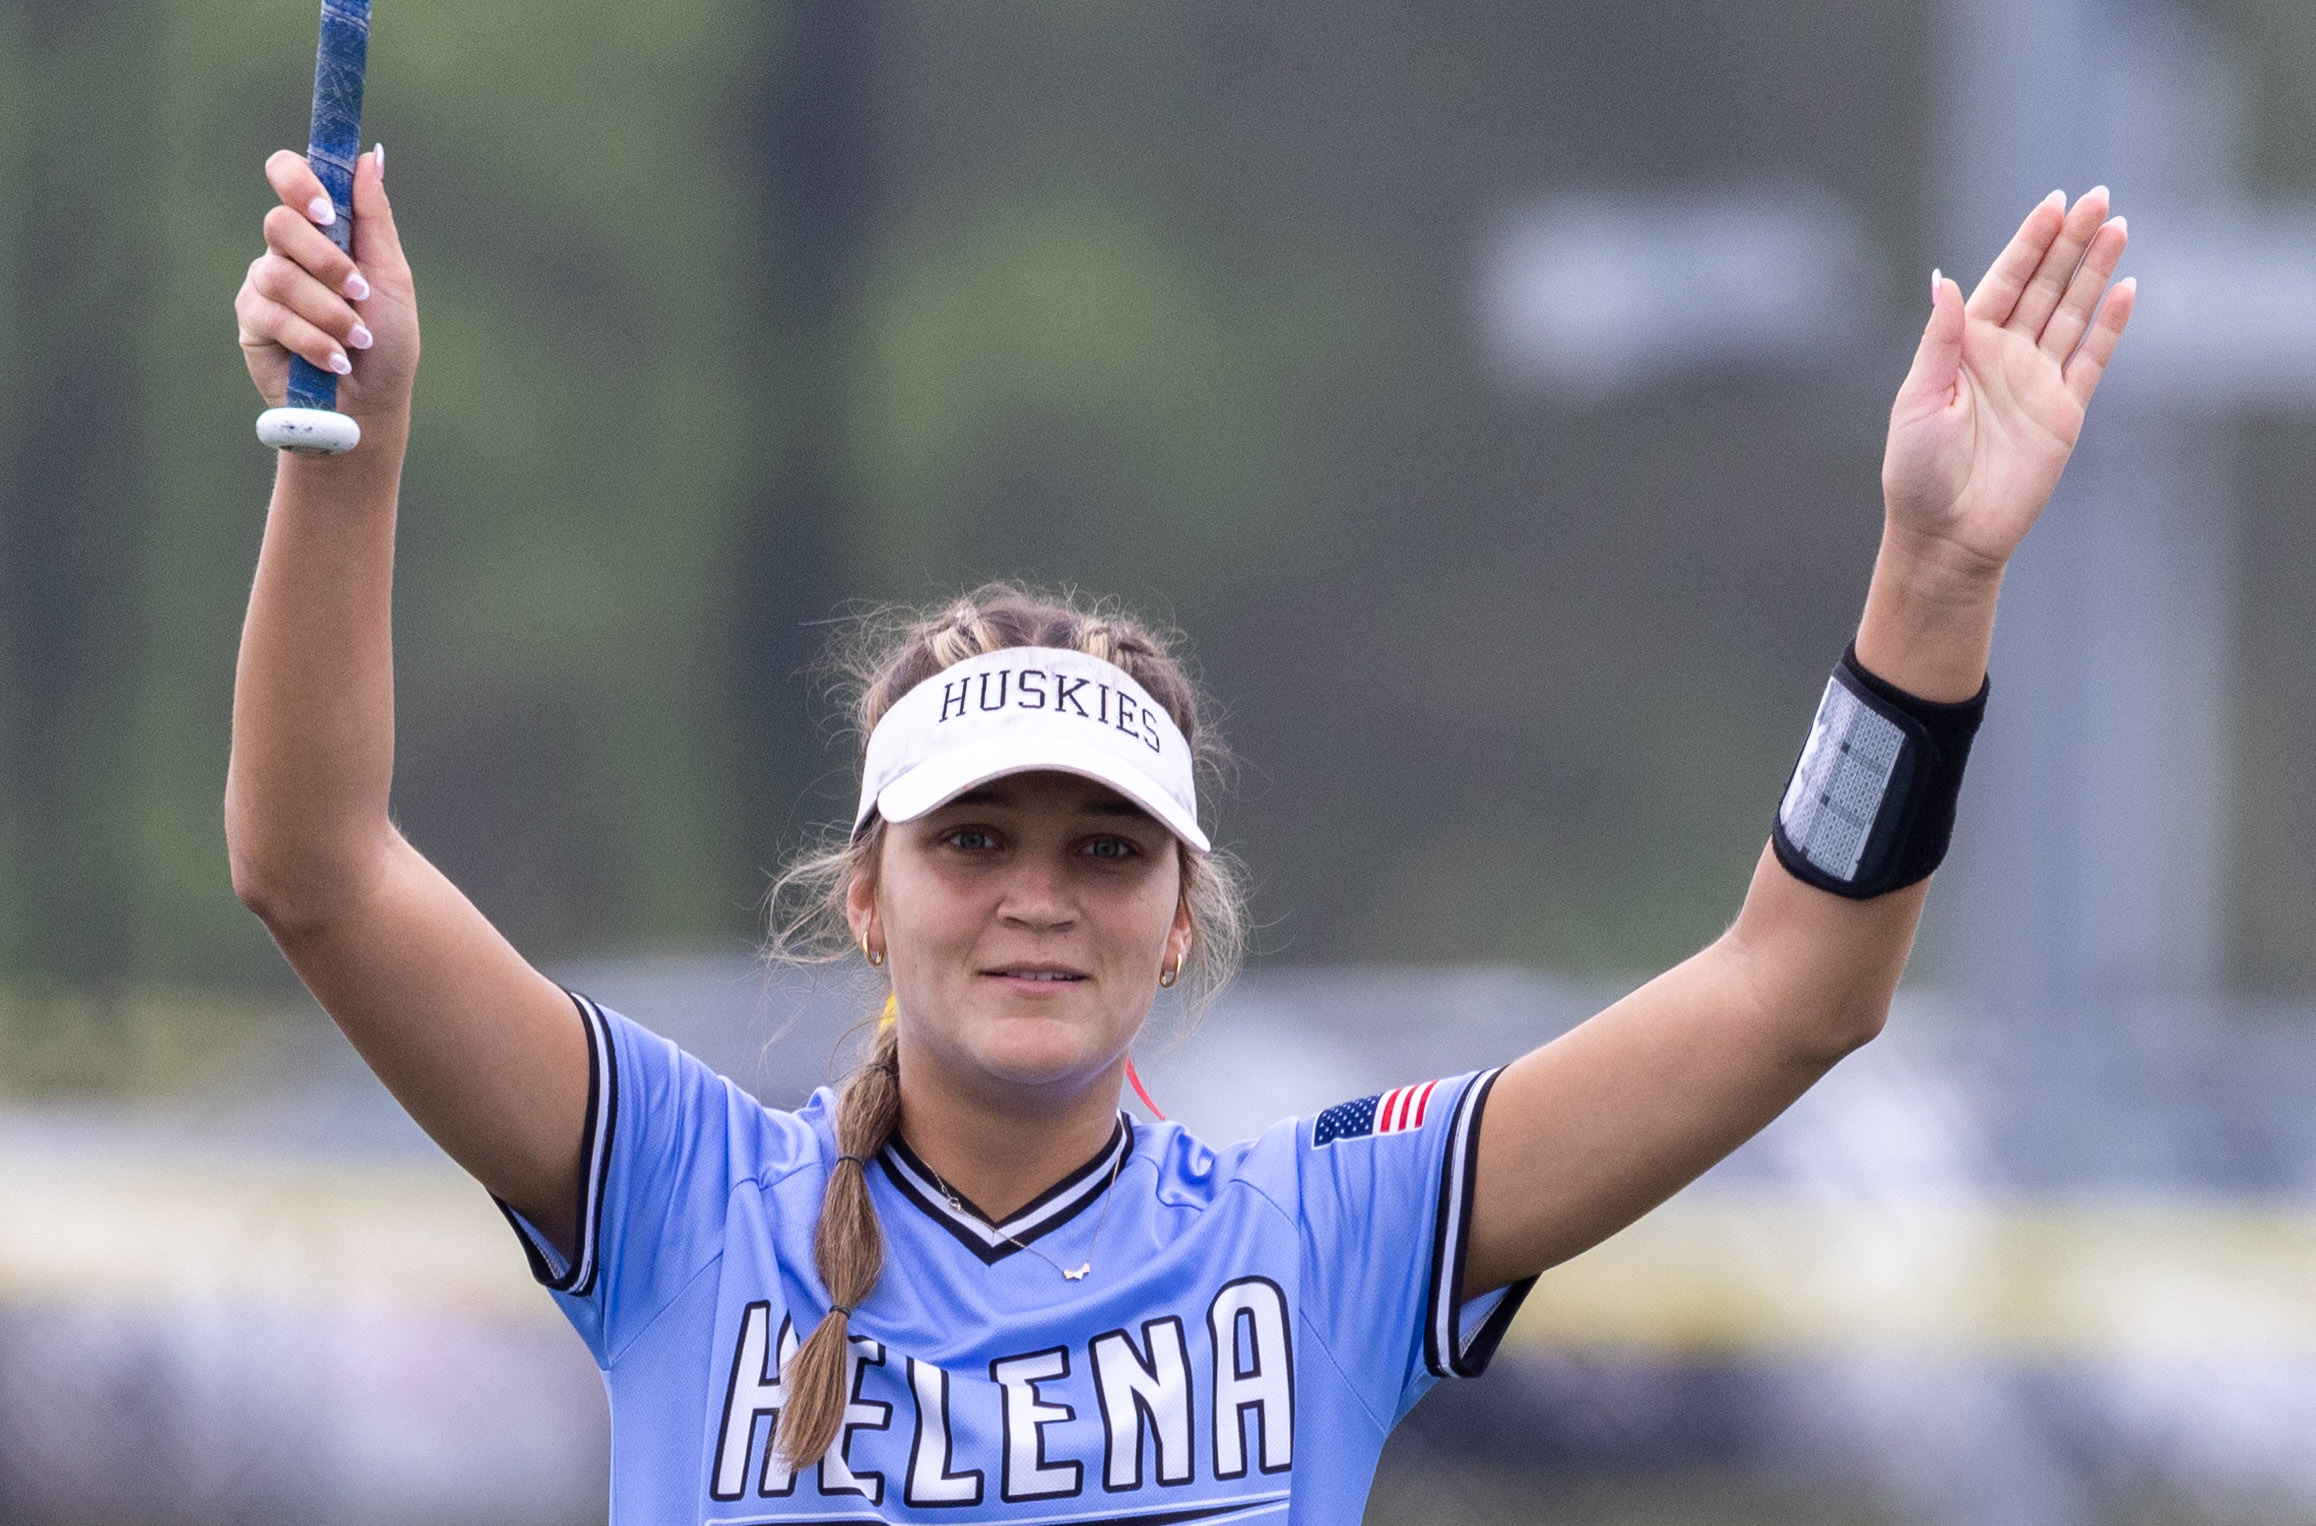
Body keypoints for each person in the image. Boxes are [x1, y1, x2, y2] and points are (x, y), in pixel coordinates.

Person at [228, 140, 2133, 1522]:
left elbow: (1796, 989)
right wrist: (354, 448)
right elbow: (314, 867)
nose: (1039, 897)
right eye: (974, 843)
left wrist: (1934, 575)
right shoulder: (676, 1196)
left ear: (1179, 912)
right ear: (871, 900)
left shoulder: (1325, 1242)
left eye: (1106, 849)